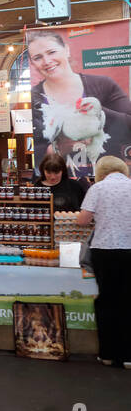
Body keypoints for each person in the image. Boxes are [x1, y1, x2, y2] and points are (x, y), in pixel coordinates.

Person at [29, 28, 131, 179]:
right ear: (33, 63)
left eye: (51, 52)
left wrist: (96, 111)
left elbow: (128, 123)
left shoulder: (103, 85)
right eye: (38, 57)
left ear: (66, 50)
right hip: (61, 183)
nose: (46, 61)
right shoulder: (35, 98)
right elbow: (38, 153)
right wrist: (60, 147)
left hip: (106, 178)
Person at [76, 155, 131, 368]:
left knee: (107, 300)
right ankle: (127, 356)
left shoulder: (96, 189)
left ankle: (107, 353)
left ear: (101, 172)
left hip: (104, 250)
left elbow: (82, 221)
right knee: (127, 300)